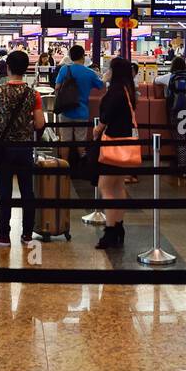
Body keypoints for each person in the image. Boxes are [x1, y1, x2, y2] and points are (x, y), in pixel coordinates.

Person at [0, 50, 45, 247]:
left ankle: (4, 234)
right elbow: (40, 123)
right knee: (27, 191)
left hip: (4, 148)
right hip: (24, 148)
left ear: (8, 68)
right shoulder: (33, 93)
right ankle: (27, 234)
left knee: (4, 191)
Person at [93, 57, 137, 250]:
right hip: (125, 143)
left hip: (113, 143)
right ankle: (118, 226)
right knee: (118, 187)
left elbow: (106, 117)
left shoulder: (115, 92)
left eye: (108, 68)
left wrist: (97, 129)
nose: (106, 71)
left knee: (106, 187)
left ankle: (110, 231)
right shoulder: (128, 91)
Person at [52, 44, 104, 160]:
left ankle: (65, 171)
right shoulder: (90, 72)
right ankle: (82, 167)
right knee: (81, 141)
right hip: (82, 111)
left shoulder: (65, 69)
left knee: (65, 141)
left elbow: (57, 88)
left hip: (65, 110)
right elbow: (101, 85)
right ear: (83, 56)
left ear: (70, 56)